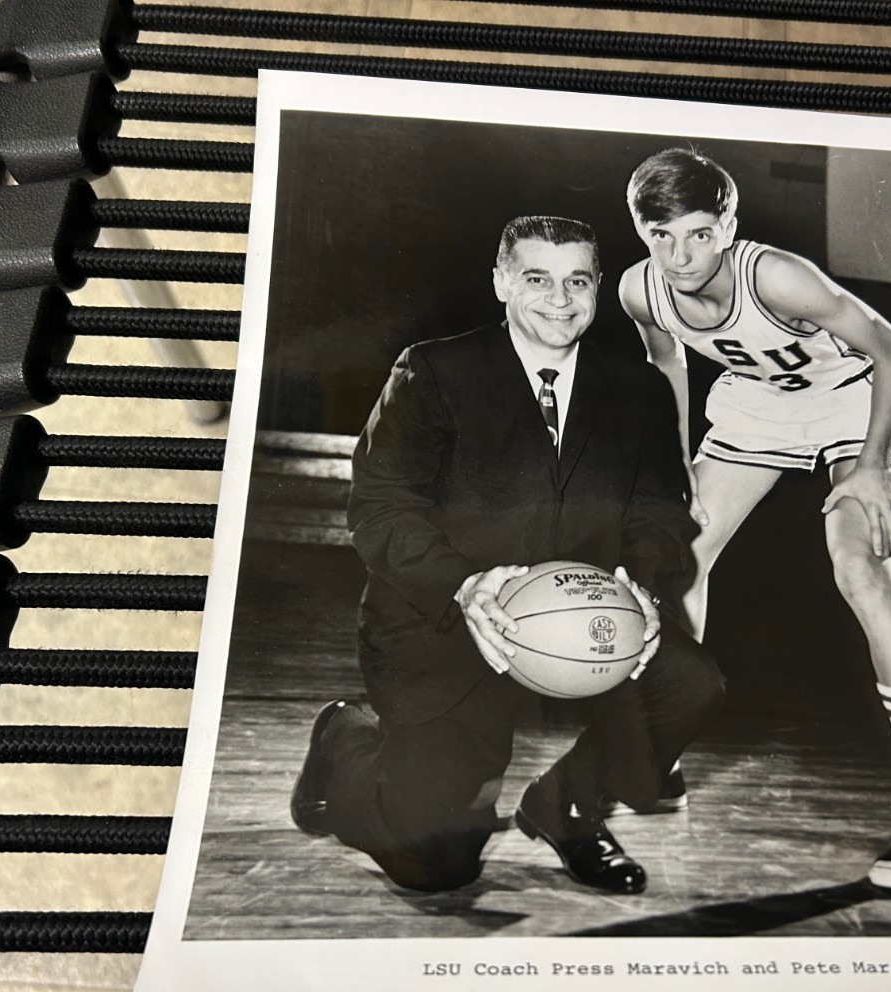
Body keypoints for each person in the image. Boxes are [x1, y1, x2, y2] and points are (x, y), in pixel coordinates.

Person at [290, 214, 724, 896]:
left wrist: (641, 585)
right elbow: (381, 508)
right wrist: (465, 587)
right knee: (438, 866)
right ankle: (345, 742)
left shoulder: (635, 388)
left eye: (577, 280)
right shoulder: (434, 369)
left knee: (690, 685)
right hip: (450, 620)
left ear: (598, 287)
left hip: (575, 617)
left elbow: (659, 509)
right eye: (537, 279)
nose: (560, 298)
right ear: (500, 283)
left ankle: (569, 804)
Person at [619, 147, 891, 895]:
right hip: (758, 406)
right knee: (678, 553)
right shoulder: (640, 291)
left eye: (697, 233)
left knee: (858, 566)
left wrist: (876, 464)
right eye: (661, 237)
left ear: (728, 224)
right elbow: (667, 366)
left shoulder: (776, 275)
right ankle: (662, 752)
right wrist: (678, 464)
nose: (681, 255)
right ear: (641, 231)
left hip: (851, 399)